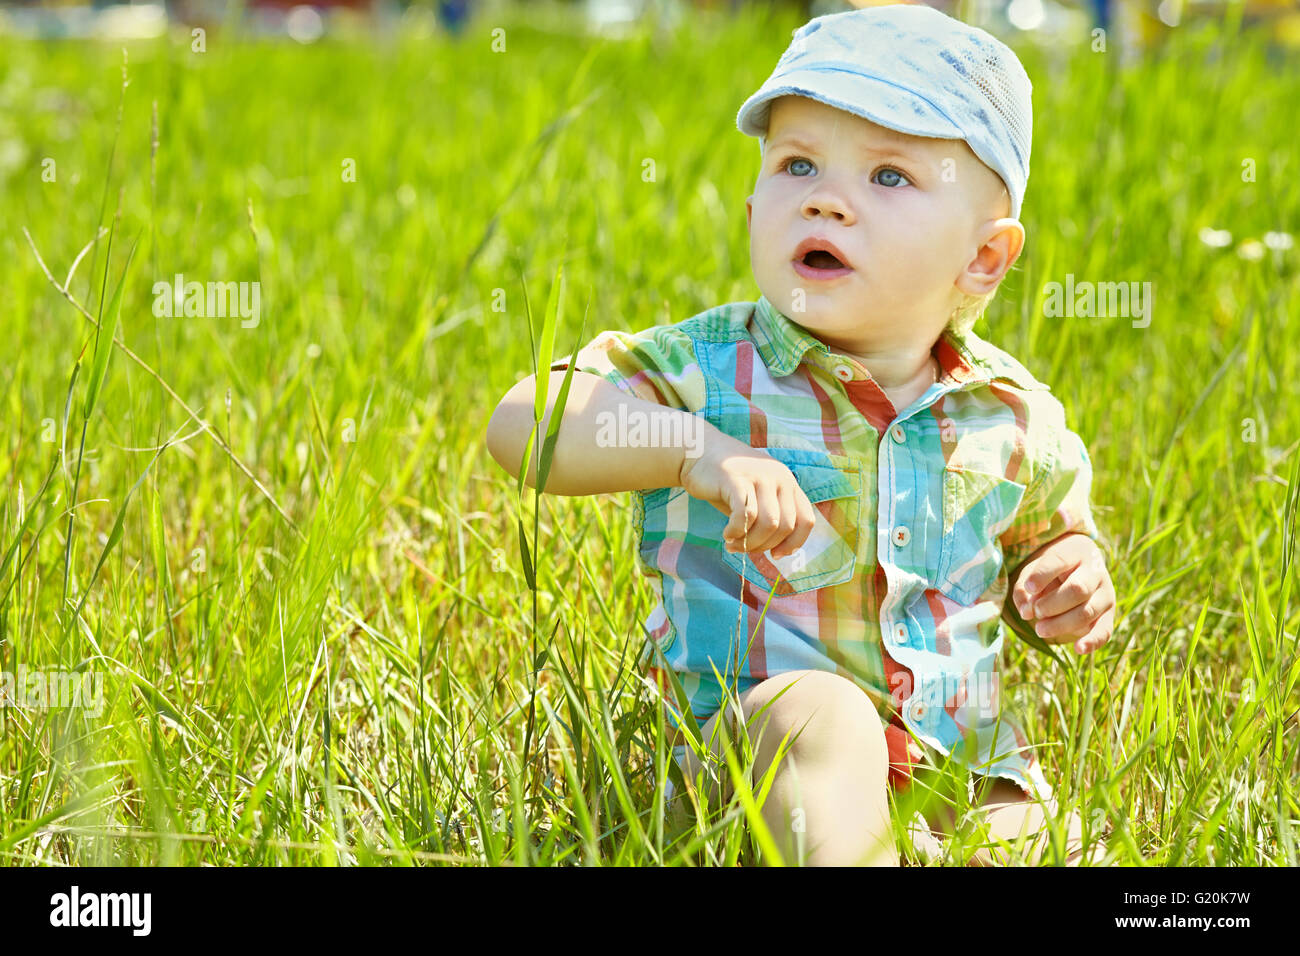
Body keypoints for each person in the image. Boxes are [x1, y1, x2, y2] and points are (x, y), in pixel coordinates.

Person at [486, 3, 1116, 866]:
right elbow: (528, 422)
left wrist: (1070, 579)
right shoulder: (714, 371)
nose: (826, 197)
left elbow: (1055, 544)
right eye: (798, 163)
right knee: (824, 717)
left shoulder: (1009, 416)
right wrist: (695, 452)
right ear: (753, 211)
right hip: (753, 756)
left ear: (985, 259)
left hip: (960, 767)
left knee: (1041, 831)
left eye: (889, 176)